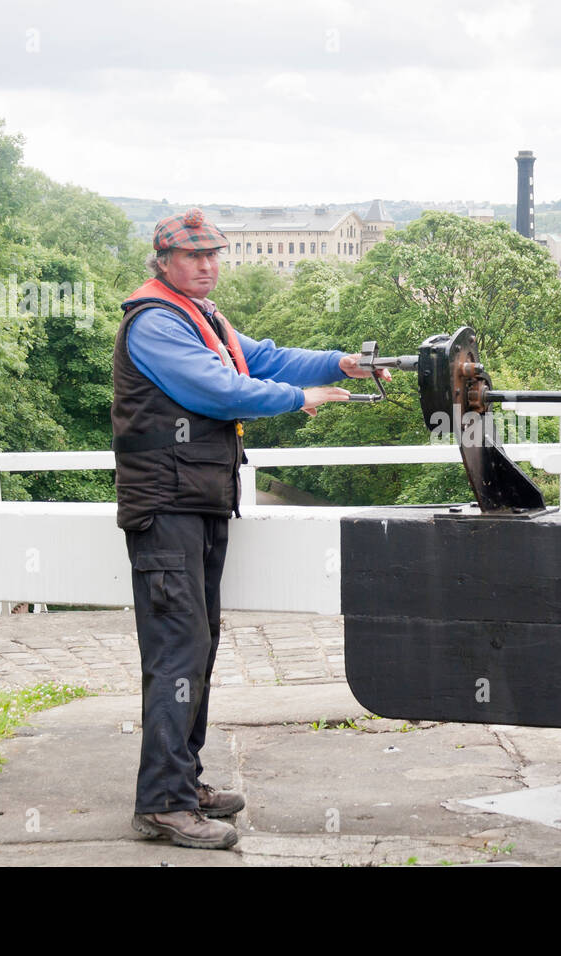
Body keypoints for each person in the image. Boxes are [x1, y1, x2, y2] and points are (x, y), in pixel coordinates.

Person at [111, 208, 389, 850]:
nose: (207, 264)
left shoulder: (201, 315)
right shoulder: (155, 323)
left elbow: (260, 356)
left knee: (197, 647)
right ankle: (162, 803)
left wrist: (335, 364)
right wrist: (303, 398)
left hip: (197, 503)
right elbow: (220, 390)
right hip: (165, 510)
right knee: (178, 651)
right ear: (163, 262)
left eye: (213, 254)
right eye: (191, 256)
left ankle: (184, 782)